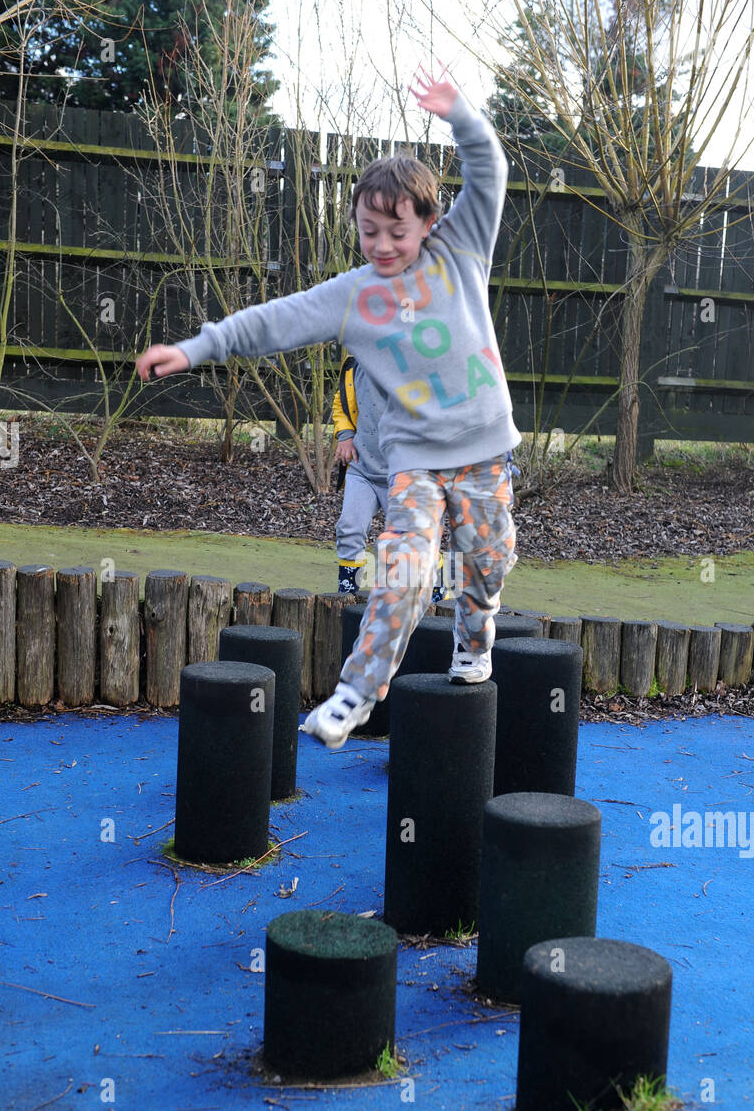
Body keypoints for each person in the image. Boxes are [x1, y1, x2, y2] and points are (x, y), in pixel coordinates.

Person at [135, 67, 521, 749]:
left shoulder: (461, 250)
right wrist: (196, 349)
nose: (380, 245)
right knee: (402, 574)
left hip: (484, 448)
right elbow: (271, 321)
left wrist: (457, 112)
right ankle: (354, 694)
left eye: (395, 232)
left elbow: (488, 162)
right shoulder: (352, 294)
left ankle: (475, 631)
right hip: (410, 464)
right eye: (367, 231)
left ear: (428, 223)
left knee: (486, 562)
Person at [332, 353, 448, 601]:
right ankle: (348, 590)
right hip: (363, 467)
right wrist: (344, 435)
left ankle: (440, 589)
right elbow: (342, 402)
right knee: (349, 527)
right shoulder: (354, 364)